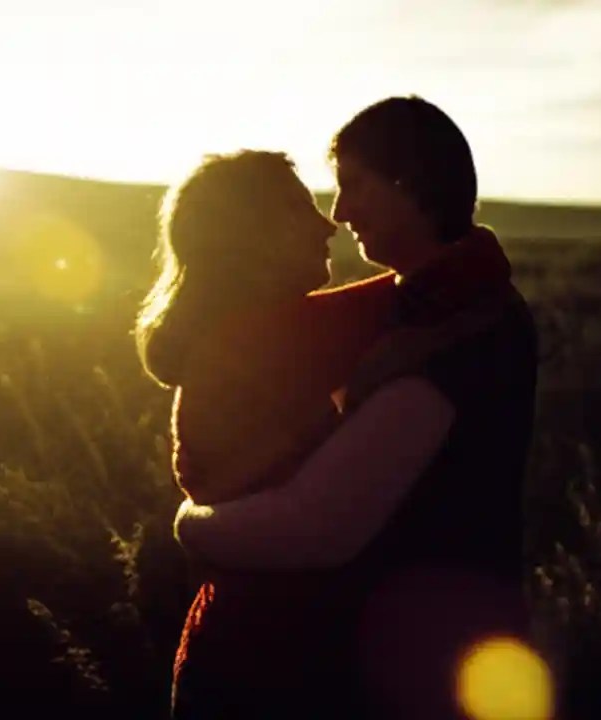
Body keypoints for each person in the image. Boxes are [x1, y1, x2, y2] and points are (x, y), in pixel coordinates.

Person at [174, 96, 541, 719]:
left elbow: (321, 526)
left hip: (430, 655)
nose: (338, 215)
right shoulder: (425, 307)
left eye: (353, 187)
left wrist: (191, 525)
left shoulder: (451, 333)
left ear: (410, 183)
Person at [134, 149, 402, 719]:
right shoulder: (267, 337)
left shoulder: (239, 334)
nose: (326, 224)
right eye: (298, 208)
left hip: (241, 655)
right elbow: (426, 289)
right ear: (247, 236)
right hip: (267, 670)